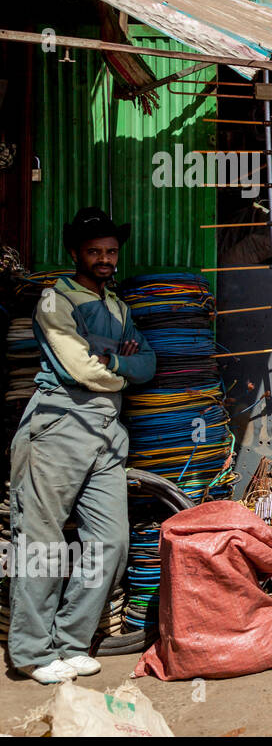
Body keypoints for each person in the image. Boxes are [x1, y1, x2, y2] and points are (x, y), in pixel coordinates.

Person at [8, 207, 156, 683]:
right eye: (94, 251)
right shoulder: (56, 301)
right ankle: (32, 651)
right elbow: (82, 369)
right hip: (59, 424)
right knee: (41, 543)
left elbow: (148, 363)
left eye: (111, 251)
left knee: (111, 540)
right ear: (75, 253)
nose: (105, 259)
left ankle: (70, 642)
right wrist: (118, 361)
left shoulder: (118, 306)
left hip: (109, 429)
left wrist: (112, 357)